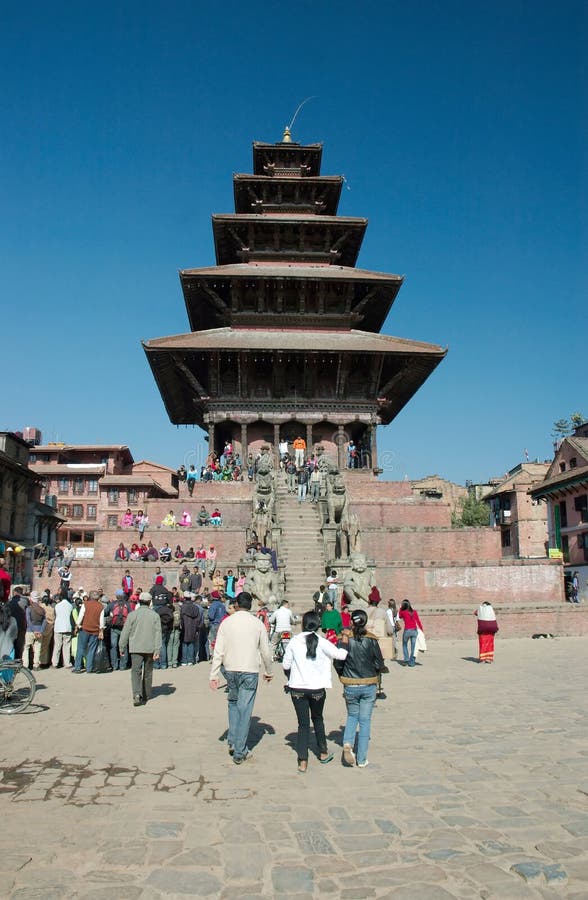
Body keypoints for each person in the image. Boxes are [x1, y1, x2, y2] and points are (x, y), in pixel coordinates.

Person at [210, 592, 273, 765]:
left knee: (233, 703)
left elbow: (218, 650)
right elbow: (266, 651)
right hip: (249, 670)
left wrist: (214, 674)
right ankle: (239, 750)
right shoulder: (257, 623)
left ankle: (232, 740)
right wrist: (269, 671)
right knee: (244, 709)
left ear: (237, 604)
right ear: (250, 605)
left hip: (230, 669)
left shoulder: (227, 623)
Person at [283, 610, 348, 773]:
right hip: (317, 689)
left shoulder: (294, 642)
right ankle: (323, 752)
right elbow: (340, 655)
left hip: (298, 689)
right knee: (318, 719)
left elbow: (286, 665)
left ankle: (302, 761)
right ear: (318, 625)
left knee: (303, 724)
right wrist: (345, 642)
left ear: (303, 624)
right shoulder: (322, 642)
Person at [335, 608, 384, 768]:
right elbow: (379, 663)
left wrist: (343, 676)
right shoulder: (371, 640)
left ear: (351, 622)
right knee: (365, 721)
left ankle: (348, 743)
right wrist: (376, 672)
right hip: (368, 684)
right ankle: (362, 759)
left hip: (350, 684)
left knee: (352, 716)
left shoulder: (344, 640)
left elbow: (338, 662)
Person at [119, 591, 162, 706]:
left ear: (139, 601)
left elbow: (125, 632)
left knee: (136, 671)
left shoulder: (132, 615)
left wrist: (121, 646)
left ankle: (137, 694)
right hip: (150, 648)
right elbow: (158, 633)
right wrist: (157, 649)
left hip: (136, 648)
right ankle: (146, 694)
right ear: (150, 602)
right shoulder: (155, 616)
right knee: (148, 672)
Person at [72, 591, 105, 674]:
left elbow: (81, 616)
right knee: (92, 650)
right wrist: (101, 630)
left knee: (80, 648)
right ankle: (89, 668)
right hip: (95, 631)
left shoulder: (85, 604)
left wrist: (77, 625)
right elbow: (101, 620)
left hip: (84, 629)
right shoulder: (100, 606)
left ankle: (77, 668)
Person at [106, 590, 131, 670]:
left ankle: (114, 665)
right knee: (124, 646)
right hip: (124, 628)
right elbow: (131, 614)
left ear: (116, 596)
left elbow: (105, 612)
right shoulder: (127, 604)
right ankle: (123, 665)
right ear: (123, 596)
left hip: (114, 628)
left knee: (113, 646)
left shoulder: (112, 604)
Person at [398, 599, 424, 667]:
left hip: (407, 631)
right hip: (414, 631)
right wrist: (421, 630)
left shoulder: (403, 612)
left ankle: (406, 659)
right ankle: (412, 662)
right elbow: (418, 621)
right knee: (414, 647)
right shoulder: (414, 612)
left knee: (404, 645)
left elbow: (399, 616)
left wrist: (400, 608)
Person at [24, 592, 46, 670]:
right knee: (37, 648)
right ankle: (36, 665)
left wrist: (33, 630)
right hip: (39, 630)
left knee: (26, 647)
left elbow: (28, 621)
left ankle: (25, 665)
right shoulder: (42, 609)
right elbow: (45, 621)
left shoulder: (29, 609)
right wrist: (41, 631)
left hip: (30, 631)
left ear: (31, 599)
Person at [52, 593, 74, 668]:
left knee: (57, 646)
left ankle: (55, 663)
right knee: (67, 646)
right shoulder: (70, 606)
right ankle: (67, 663)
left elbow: (55, 615)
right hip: (67, 627)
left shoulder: (57, 606)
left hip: (58, 627)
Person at [180, 592, 202, 665]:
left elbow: (181, 618)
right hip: (193, 628)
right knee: (191, 643)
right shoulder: (196, 607)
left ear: (184, 598)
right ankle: (190, 660)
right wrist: (197, 627)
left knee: (184, 644)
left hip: (185, 627)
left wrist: (181, 626)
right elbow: (198, 619)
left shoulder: (182, 607)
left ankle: (184, 660)